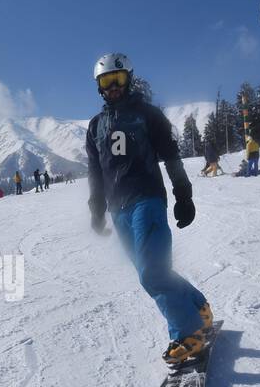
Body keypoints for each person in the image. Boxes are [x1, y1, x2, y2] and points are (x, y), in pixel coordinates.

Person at [86, 52, 212, 365]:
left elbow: (171, 157)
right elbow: (95, 172)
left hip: (147, 199)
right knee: (153, 271)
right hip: (119, 209)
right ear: (99, 87)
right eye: (106, 82)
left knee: (152, 272)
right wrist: (96, 210)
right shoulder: (95, 126)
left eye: (118, 79)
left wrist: (183, 195)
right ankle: (198, 309)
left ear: (128, 78)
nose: (113, 87)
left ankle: (189, 334)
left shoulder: (147, 114)